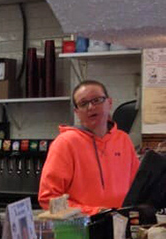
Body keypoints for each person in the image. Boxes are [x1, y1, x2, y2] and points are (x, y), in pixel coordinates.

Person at [38, 80, 140, 214]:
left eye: (97, 100)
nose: (91, 107)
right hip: (83, 225)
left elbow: (138, 188)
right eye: (83, 103)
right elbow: (49, 199)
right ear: (76, 111)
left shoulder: (123, 140)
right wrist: (95, 212)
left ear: (109, 103)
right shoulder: (65, 143)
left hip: (122, 222)